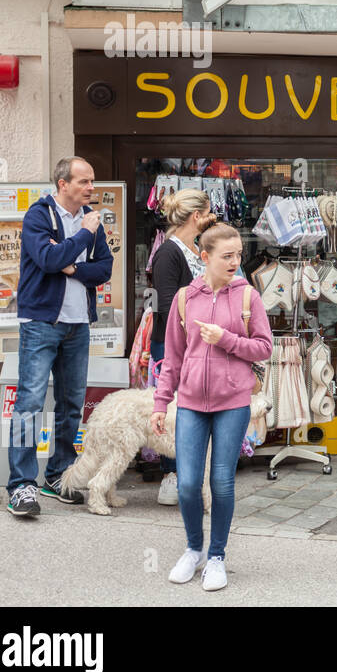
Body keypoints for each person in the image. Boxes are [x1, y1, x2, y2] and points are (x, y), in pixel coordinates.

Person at [152, 223, 273, 591]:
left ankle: (216, 556)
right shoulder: (185, 298)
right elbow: (172, 357)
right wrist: (161, 402)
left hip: (232, 402)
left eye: (238, 254)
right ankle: (194, 549)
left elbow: (265, 348)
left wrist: (228, 340)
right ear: (205, 257)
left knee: (221, 482)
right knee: (188, 484)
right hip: (189, 401)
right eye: (227, 256)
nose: (236, 261)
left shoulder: (248, 297)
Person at [8, 157, 114, 517]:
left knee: (71, 406)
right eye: (84, 182)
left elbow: (104, 268)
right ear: (62, 183)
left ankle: (59, 476)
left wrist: (74, 266)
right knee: (30, 404)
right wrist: (82, 235)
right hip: (40, 323)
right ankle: (21, 485)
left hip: (78, 325)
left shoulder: (92, 221)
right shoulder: (40, 216)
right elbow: (48, 260)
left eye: (92, 182)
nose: (91, 189)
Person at [146, 188, 216, 506]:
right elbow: (167, 304)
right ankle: (170, 475)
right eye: (209, 212)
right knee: (173, 407)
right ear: (196, 216)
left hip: (200, 341)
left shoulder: (198, 248)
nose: (214, 217)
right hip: (174, 342)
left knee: (193, 405)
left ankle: (190, 475)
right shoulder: (168, 253)